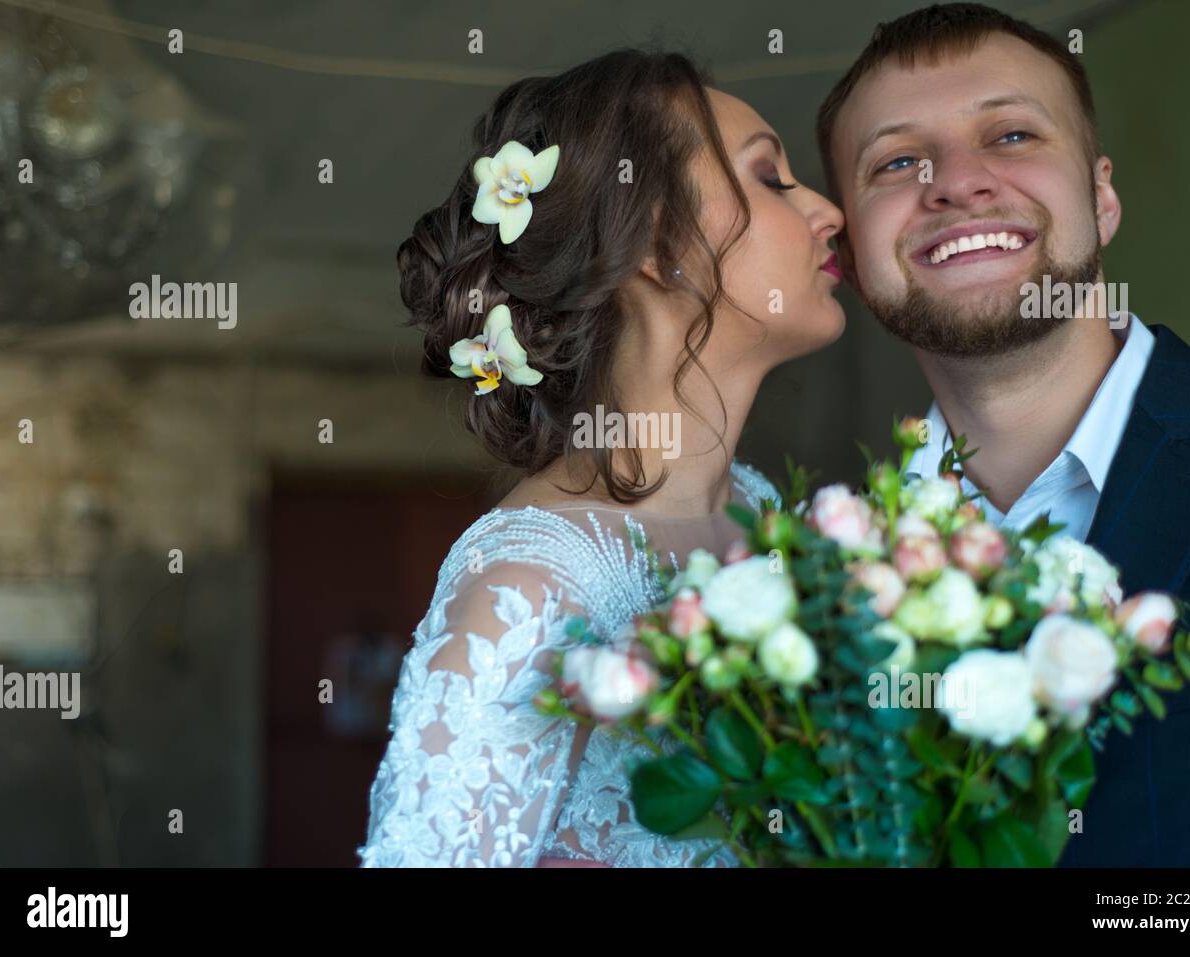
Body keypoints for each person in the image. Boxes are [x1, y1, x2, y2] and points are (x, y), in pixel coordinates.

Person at [359, 48, 846, 866]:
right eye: (772, 179)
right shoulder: (531, 590)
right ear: (655, 245)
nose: (828, 211)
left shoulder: (772, 523)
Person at [817, 3, 1190, 865]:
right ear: (845, 246)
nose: (957, 181)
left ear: (1102, 197)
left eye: (1013, 136)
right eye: (897, 160)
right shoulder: (815, 575)